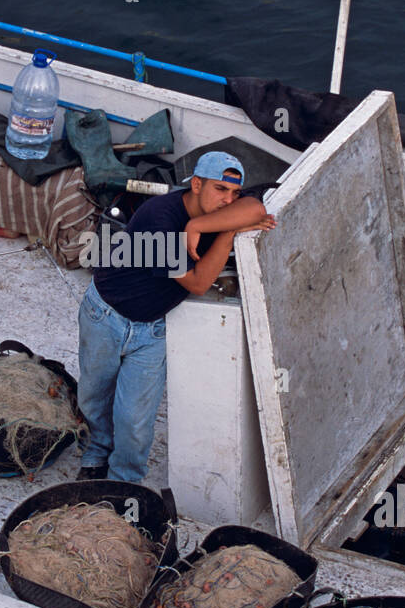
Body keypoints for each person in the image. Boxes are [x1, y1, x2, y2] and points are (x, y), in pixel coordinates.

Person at [76, 151, 276, 482]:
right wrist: (229, 232)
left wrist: (203, 225)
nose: (228, 201)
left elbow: (256, 208)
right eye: (219, 189)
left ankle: (124, 484)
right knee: (95, 395)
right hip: (105, 316)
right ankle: (97, 451)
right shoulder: (160, 218)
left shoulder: (211, 214)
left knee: (135, 418)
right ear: (196, 184)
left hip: (151, 329)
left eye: (234, 193)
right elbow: (198, 284)